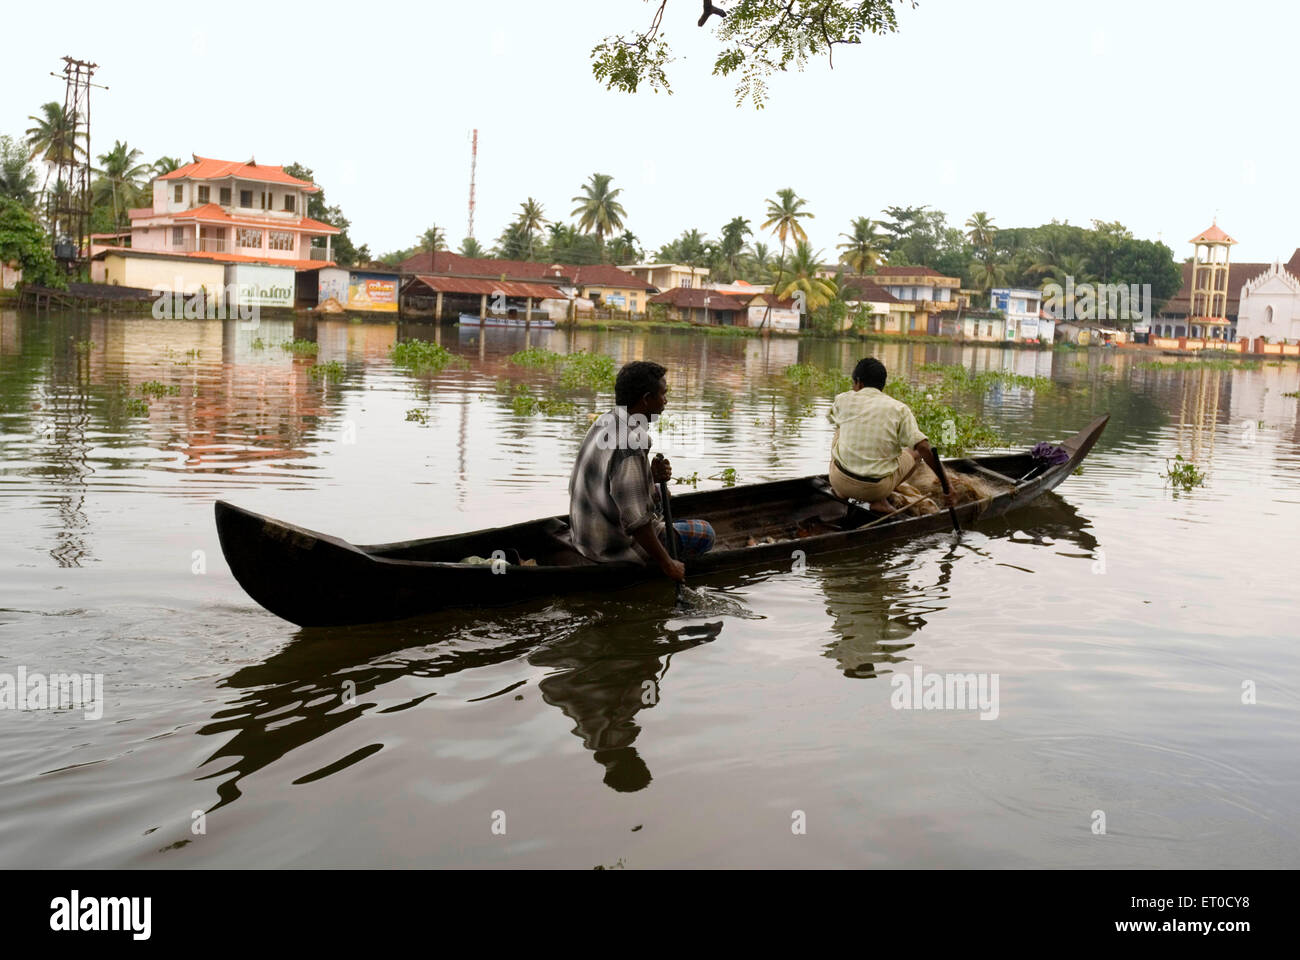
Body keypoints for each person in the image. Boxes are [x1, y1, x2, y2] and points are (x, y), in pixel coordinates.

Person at [569, 360, 715, 580]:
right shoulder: (631, 443)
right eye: (663, 395)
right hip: (609, 546)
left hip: (584, 535)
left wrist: (651, 477)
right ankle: (659, 558)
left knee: (662, 493)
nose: (665, 402)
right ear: (646, 399)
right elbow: (637, 523)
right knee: (706, 533)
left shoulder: (606, 419)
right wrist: (668, 564)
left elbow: (612, 480)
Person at [827, 357, 958, 514]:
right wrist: (947, 484)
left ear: (859, 382)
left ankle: (843, 491)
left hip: (838, 482)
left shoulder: (843, 399)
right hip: (876, 489)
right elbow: (923, 447)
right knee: (915, 453)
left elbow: (831, 417)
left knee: (839, 430)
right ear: (882, 384)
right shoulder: (899, 409)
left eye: (853, 383)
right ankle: (880, 501)